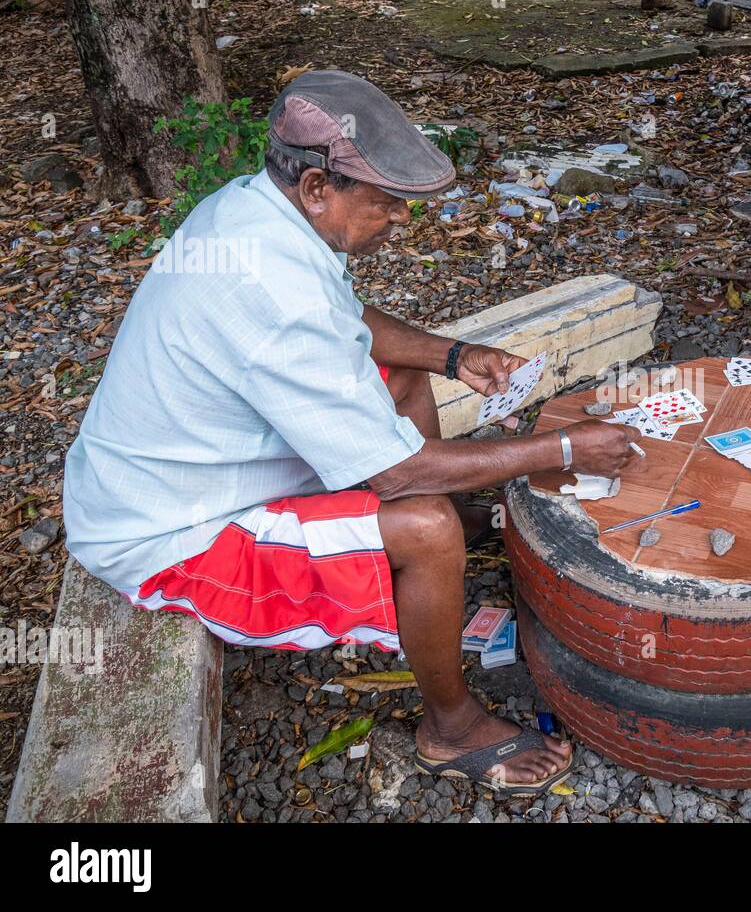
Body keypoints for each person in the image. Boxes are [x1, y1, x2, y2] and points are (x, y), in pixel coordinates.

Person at [63, 70, 641, 795]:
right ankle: (450, 728)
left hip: (173, 468)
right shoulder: (268, 289)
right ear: (316, 187)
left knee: (401, 377)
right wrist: (563, 449)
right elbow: (396, 475)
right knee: (424, 523)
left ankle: (452, 540)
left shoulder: (251, 210)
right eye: (388, 202)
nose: (401, 218)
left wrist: (456, 356)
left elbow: (347, 322)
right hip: (170, 531)